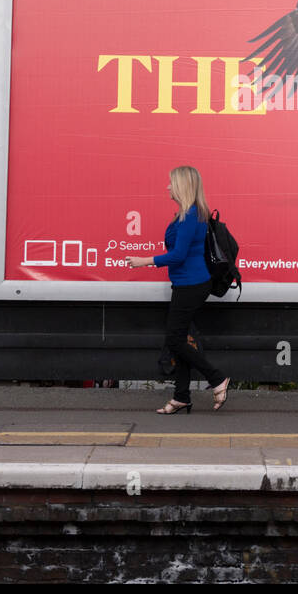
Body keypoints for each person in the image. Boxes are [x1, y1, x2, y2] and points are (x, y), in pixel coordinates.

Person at [125, 166, 231, 414]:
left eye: (171, 183)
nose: (168, 187)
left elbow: (178, 255)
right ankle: (181, 396)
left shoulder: (191, 216)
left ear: (182, 185)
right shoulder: (188, 214)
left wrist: (144, 260)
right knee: (180, 339)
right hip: (186, 284)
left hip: (191, 285)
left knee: (174, 339)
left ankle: (216, 378)